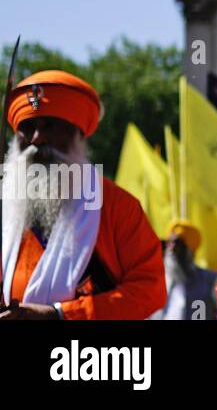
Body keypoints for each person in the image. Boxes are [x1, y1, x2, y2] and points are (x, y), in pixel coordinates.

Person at [0, 70, 166, 319]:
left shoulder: (118, 206)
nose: (37, 138)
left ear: (79, 134)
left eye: (50, 125)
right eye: (27, 127)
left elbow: (150, 291)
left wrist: (60, 315)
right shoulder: (5, 204)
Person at [152, 218, 217, 320]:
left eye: (178, 243)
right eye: (170, 243)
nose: (172, 249)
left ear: (190, 250)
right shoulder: (156, 281)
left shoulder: (209, 280)